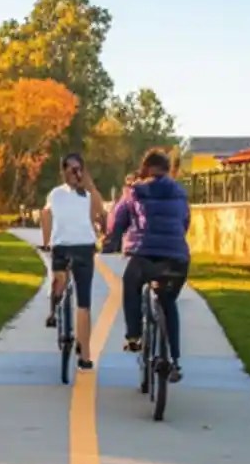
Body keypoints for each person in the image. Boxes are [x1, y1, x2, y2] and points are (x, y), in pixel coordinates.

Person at [109, 149, 190, 382]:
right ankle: (174, 361)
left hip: (144, 255)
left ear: (145, 169)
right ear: (166, 170)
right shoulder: (180, 192)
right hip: (176, 259)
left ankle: (133, 336)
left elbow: (117, 220)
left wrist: (113, 239)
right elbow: (185, 222)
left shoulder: (135, 191)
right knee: (168, 302)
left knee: (130, 283)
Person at [40, 153, 104, 370]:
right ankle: (56, 304)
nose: (75, 174)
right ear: (64, 172)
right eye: (71, 170)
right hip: (67, 247)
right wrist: (47, 241)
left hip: (82, 248)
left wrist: (91, 186)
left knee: (82, 303)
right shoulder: (57, 194)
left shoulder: (87, 194)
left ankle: (84, 353)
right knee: (64, 284)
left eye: (78, 170)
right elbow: (46, 214)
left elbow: (99, 212)